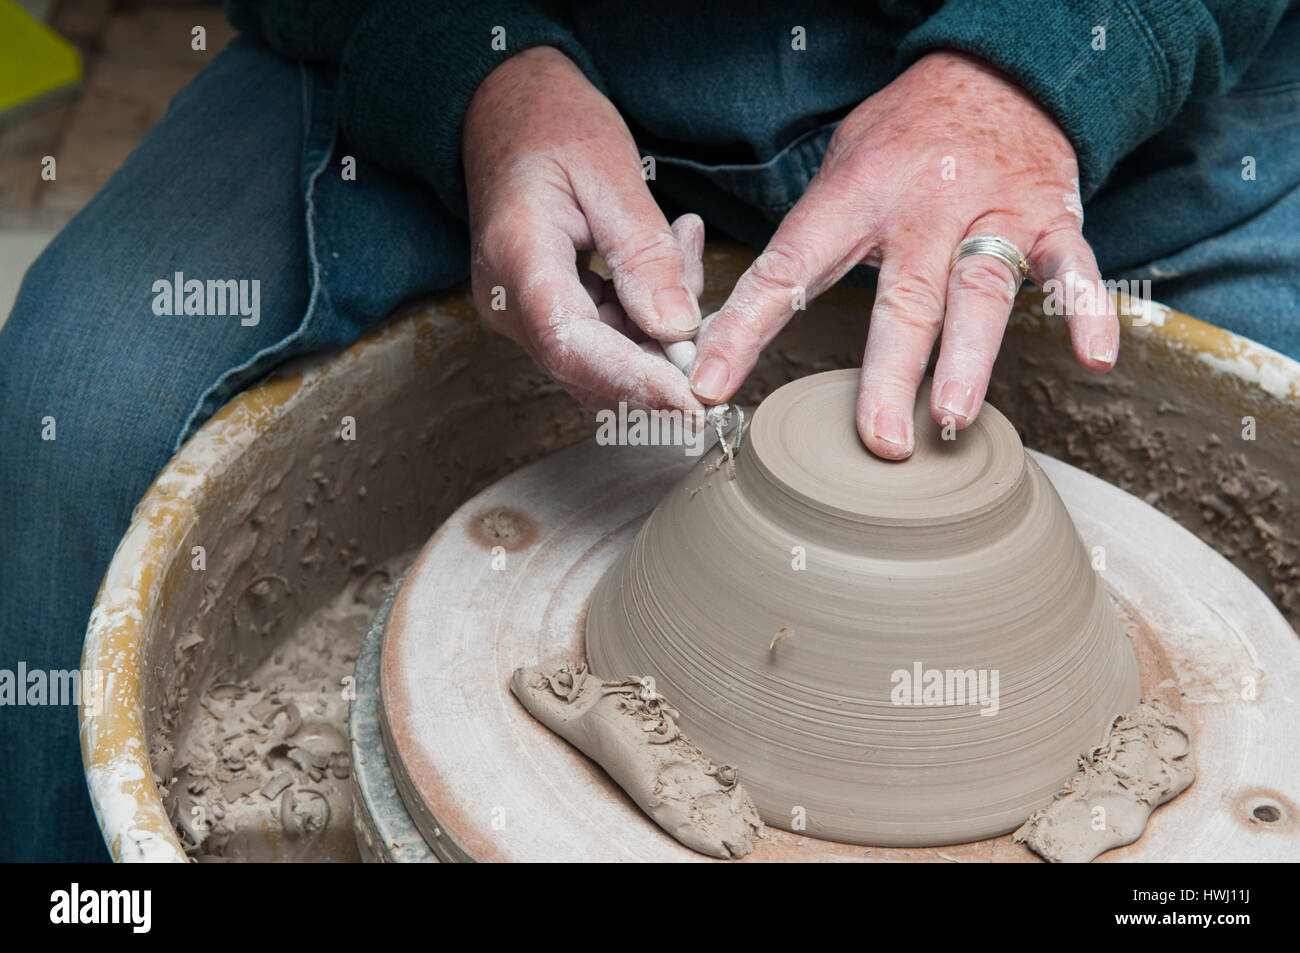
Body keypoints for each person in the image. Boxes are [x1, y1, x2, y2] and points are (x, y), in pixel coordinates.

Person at [1, 0, 1296, 861]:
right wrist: (468, 76)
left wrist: (1054, 64)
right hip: (540, 44)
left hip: (1096, 57)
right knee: (79, 404)